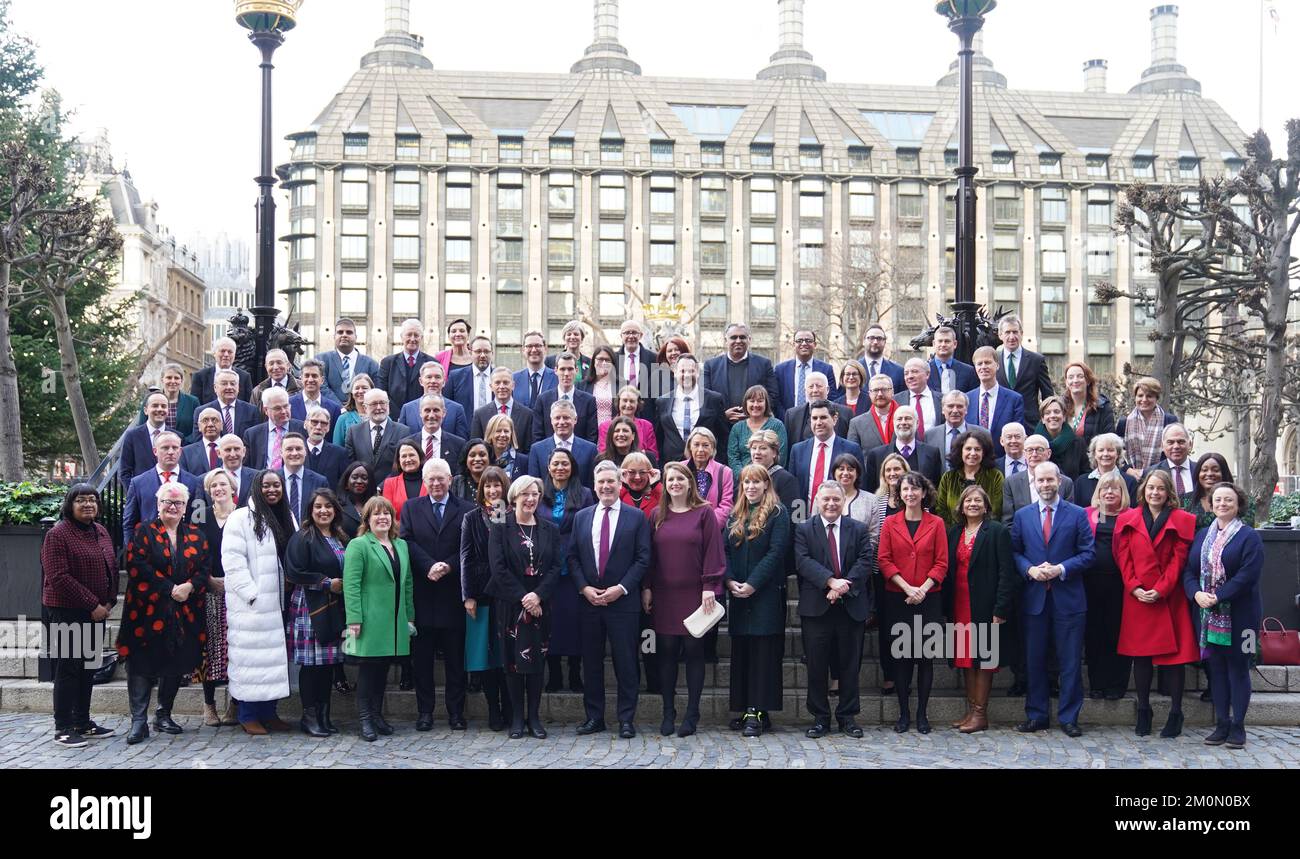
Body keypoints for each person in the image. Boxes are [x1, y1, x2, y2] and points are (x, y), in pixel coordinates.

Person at [116, 480, 209, 744]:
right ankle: (138, 721)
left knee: (175, 663)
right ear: (158, 505)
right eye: (167, 501)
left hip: (184, 613)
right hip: (146, 612)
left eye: (178, 502)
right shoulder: (143, 531)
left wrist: (189, 586)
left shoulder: (196, 535)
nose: (173, 506)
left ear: (185, 507)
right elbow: (137, 566)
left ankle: (163, 714)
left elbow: (204, 568)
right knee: (142, 665)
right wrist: (171, 589)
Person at [1011, 461, 1095, 737]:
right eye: (1040, 480)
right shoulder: (1022, 516)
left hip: (1068, 599)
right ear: (1033, 482)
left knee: (1069, 662)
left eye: (1050, 480)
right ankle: (1037, 715)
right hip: (1034, 599)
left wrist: (1061, 569)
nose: (1045, 485)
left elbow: (1088, 553)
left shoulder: (1077, 514)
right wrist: (1029, 569)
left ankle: (1069, 717)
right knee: (1034, 661)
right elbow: (1015, 551)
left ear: (1059, 481)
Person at [569, 460, 652, 738]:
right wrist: (584, 588)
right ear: (594, 485)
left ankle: (626, 719)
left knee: (626, 662)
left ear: (621, 484)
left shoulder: (636, 517)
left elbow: (643, 558)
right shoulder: (582, 517)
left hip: (623, 603)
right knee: (590, 663)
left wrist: (622, 588)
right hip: (589, 602)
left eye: (611, 482)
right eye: (601, 482)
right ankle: (595, 717)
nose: (606, 486)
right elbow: (572, 558)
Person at [643, 461, 726, 737]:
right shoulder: (656, 514)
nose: (675, 483)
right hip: (664, 594)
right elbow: (649, 557)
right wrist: (647, 587)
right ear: (664, 485)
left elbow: (714, 551)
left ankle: (692, 714)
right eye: (670, 479)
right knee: (665, 652)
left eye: (680, 478)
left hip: (695, 594)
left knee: (694, 653)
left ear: (690, 482)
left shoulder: (704, 513)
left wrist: (709, 586)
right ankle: (668, 712)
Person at [1114, 469, 1198, 738]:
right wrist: (1134, 587)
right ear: (1143, 490)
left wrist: (1160, 589)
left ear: (1169, 492)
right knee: (1141, 657)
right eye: (1151, 487)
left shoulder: (1182, 519)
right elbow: (1122, 557)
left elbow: (1179, 560)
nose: (1155, 493)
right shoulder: (1128, 518)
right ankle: (1144, 710)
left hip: (1168, 597)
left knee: (1174, 659)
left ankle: (1176, 712)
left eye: (1161, 488)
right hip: (1137, 596)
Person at [1184, 482, 1263, 751]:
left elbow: (1248, 576)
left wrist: (1218, 596)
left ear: (1238, 504)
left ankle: (1238, 726)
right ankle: (1222, 723)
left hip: (1243, 617)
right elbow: (1189, 571)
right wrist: (1196, 594)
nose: (1222, 504)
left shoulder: (1249, 536)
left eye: (1228, 500)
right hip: (1207, 616)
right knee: (1215, 670)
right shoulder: (1202, 535)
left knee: (1239, 668)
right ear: (1210, 504)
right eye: (1217, 500)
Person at [41, 485, 118, 747]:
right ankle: (63, 728)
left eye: (92, 500)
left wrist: (109, 601)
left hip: (97, 612)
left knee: (87, 669)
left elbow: (112, 566)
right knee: (68, 669)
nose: (88, 504)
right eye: (81, 500)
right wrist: (91, 605)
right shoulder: (58, 534)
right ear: (69, 504)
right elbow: (59, 577)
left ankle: (82, 722)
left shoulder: (101, 531)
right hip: (67, 612)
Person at [795, 481, 873, 738]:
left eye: (836, 500)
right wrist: (829, 581)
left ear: (844, 502)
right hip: (817, 608)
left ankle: (847, 716)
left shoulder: (859, 529)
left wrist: (842, 587)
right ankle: (820, 718)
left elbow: (865, 561)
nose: (831, 504)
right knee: (817, 666)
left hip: (851, 606)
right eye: (826, 499)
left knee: (850, 665)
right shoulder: (804, 529)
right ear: (817, 500)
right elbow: (803, 561)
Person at [401, 458, 474, 731]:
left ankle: (456, 713)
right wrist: (428, 565)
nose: (436, 483)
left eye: (440, 478)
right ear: (424, 481)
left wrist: (449, 565)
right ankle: (425, 712)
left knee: (455, 661)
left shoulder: (466, 509)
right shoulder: (411, 507)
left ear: (450, 479)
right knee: (422, 663)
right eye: (430, 479)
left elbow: (470, 545)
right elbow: (406, 540)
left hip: (453, 593)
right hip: (423, 592)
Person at [488, 476, 562, 739]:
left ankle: (534, 717)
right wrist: (525, 598)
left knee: (537, 661)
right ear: (514, 497)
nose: (531, 499)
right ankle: (517, 717)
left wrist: (538, 596)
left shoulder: (550, 528)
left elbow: (555, 567)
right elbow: (497, 567)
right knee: (513, 662)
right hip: (511, 604)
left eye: (536, 494)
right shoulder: (500, 525)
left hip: (541, 605)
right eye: (526, 494)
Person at [222, 470, 293, 735]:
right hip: (253, 604)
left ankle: (269, 712)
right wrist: (251, 594)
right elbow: (233, 561)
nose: (272, 490)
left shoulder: (286, 515)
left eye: (277, 485)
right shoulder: (240, 518)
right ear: (256, 487)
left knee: (273, 661)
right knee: (251, 661)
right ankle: (247, 713)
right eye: (266, 485)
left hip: (281, 601)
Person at [944, 485, 1018, 733]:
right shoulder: (954, 532)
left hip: (986, 606)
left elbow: (1008, 573)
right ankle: (971, 710)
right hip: (960, 604)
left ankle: (980, 714)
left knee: (984, 658)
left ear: (986, 506)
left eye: (978, 500)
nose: (973, 504)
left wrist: (1001, 608)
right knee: (966, 658)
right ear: (961, 506)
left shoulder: (996, 531)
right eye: (968, 500)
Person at [725, 464, 792, 737]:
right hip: (739, 595)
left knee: (764, 655)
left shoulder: (778, 513)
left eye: (756, 482)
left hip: (764, 595)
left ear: (766, 484)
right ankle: (745, 708)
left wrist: (753, 583)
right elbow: (725, 553)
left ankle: (759, 710)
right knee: (742, 653)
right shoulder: (734, 514)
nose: (751, 487)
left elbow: (776, 553)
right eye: (746, 482)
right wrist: (730, 581)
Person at [878, 472, 948, 733]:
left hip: (929, 598)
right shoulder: (890, 523)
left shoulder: (937, 523)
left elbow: (942, 562)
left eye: (915, 489)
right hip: (898, 597)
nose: (910, 494)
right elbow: (884, 560)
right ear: (900, 493)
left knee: (925, 659)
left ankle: (922, 714)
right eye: (906, 489)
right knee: (902, 658)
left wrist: (923, 588)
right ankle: (904, 713)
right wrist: (908, 587)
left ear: (924, 492)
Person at [343, 496, 415, 741]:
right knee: (368, 671)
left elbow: (407, 584)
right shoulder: (359, 545)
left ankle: (377, 715)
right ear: (367, 519)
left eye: (387, 513)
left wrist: (410, 616)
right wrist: (354, 618)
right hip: (369, 619)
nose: (382, 517)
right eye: (376, 514)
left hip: (394, 621)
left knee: (383, 669)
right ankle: (365, 719)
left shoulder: (401, 545)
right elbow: (351, 585)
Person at [284, 489, 348, 737]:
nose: (324, 511)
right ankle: (309, 717)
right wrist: (325, 582)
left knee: (328, 664)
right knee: (311, 665)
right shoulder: (303, 537)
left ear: (336, 510)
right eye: (318, 506)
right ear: (310, 511)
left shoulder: (340, 536)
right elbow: (294, 571)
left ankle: (324, 714)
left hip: (335, 607)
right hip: (310, 606)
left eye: (329, 506)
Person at [459, 466, 513, 731]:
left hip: (508, 594)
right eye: (488, 486)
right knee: (488, 655)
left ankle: (511, 708)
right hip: (480, 594)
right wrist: (467, 595)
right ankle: (494, 708)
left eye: (497, 486)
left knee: (507, 655)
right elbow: (466, 557)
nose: (493, 491)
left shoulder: (511, 516)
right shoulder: (471, 517)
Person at [539, 448, 594, 695]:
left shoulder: (584, 494)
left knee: (574, 621)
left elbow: (589, 528)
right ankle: (554, 673)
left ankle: (574, 671)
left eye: (565, 463)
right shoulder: (539, 494)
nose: (560, 468)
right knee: (550, 621)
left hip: (575, 565)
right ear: (548, 467)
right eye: (555, 463)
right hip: (545, 565)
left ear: (572, 467)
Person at [1082, 472, 1133, 702]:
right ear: (1098, 493)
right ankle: (1097, 683)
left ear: (1123, 493)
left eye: (1115, 488)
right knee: (1094, 634)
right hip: (1090, 583)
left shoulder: (1132, 516)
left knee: (1118, 634)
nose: (1110, 492)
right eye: (1105, 488)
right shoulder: (1087, 515)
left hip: (1121, 585)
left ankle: (1116, 683)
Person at [197, 470, 240, 727]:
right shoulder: (200, 517)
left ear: (232, 487)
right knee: (210, 649)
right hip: (209, 590)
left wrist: (235, 581)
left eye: (223, 484)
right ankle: (209, 705)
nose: (218, 488)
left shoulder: (243, 514)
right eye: (213, 485)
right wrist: (209, 580)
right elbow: (193, 553)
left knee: (236, 648)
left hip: (237, 591)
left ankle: (235, 704)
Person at [701, 322, 780, 455]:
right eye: (733, 337)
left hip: (756, 432)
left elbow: (773, 396)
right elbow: (705, 399)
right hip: (721, 431)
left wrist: (753, 413)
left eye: (742, 337)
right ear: (725, 340)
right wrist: (723, 415)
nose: (738, 341)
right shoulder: (711, 366)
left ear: (749, 340)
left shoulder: (764, 364)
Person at [121, 431, 204, 545]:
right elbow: (129, 523)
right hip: (148, 551)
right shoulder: (138, 483)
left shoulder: (195, 482)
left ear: (180, 451)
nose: (171, 452)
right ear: (155, 451)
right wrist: (131, 552)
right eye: (165, 448)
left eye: (175, 448)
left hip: (185, 550)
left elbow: (199, 519)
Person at [789, 401, 865, 508]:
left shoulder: (851, 449)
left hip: (841, 516)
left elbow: (860, 485)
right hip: (805, 517)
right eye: (814, 418)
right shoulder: (798, 450)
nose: (818, 422)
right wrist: (798, 520)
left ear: (834, 419)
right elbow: (794, 489)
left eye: (823, 417)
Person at [655, 353, 725, 465]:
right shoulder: (662, 402)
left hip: (704, 465)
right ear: (675, 372)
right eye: (682, 371)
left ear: (698, 373)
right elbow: (659, 437)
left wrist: (718, 463)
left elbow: (723, 436)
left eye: (691, 371)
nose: (687, 375)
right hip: (672, 467)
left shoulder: (713, 399)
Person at [863, 406, 943, 492]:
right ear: (893, 423)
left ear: (917, 423)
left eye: (908, 418)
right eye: (899, 419)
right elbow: (871, 491)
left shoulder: (932, 453)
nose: (903, 422)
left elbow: (935, 488)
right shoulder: (876, 455)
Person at [345, 388, 413, 490]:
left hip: (392, 490)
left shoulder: (403, 432)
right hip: (362, 491)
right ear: (365, 407)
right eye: (374, 404)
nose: (379, 407)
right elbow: (350, 465)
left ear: (388, 405)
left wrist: (382, 486)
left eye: (382, 403)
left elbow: (402, 466)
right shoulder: (354, 432)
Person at [994, 315, 1055, 428]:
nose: (1012, 337)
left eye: (1015, 332)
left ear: (1021, 333)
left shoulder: (1036, 360)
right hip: (1000, 423)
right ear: (1000, 335)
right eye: (1007, 332)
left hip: (1030, 424)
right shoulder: (993, 360)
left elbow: (1048, 395)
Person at [1003, 434, 1077, 525]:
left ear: (1049, 453)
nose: (1034, 454)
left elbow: (1069, 519)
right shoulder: (1011, 483)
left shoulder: (1066, 483)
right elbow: (1008, 522)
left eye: (1039, 449)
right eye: (1030, 450)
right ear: (1024, 454)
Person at [935, 430, 1005, 526]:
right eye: (968, 449)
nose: (972, 453)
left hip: (986, 534)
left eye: (977, 449)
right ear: (961, 451)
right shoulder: (948, 478)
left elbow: (996, 510)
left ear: (984, 452)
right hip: (953, 535)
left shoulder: (995, 477)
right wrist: (957, 531)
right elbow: (940, 509)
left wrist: (977, 531)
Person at [966, 346, 1025, 456]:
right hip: (973, 460)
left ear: (997, 365)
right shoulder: (966, 399)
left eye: (988, 362)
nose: (983, 367)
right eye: (979, 364)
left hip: (1001, 462)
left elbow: (1016, 435)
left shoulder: (1014, 399)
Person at [1118, 376, 1179, 479]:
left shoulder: (1169, 421)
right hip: (1131, 479)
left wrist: (1148, 472)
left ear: (1156, 398)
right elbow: (1117, 452)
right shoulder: (1124, 423)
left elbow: (1173, 453)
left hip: (1161, 477)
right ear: (1135, 398)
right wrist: (1129, 470)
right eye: (1140, 396)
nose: (1144, 400)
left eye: (1149, 396)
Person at [470, 367, 539, 454]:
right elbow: (475, 446)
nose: (501, 386)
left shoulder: (527, 414)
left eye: (506, 382)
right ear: (491, 386)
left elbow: (529, 448)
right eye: (497, 383)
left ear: (513, 385)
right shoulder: (480, 414)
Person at [530, 398, 599, 484]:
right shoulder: (537, 450)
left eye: (566, 418)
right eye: (557, 418)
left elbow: (592, 484)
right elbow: (535, 485)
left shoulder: (590, 450)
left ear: (575, 419)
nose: (561, 422)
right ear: (551, 420)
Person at [533, 351, 598, 442]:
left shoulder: (588, 401)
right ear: (556, 371)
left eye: (570, 369)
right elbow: (537, 435)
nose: (566, 373)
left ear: (576, 370)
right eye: (562, 369)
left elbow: (592, 436)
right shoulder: (543, 400)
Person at [727, 384, 788, 477]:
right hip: (743, 481)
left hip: (771, 480)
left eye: (760, 401)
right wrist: (745, 477)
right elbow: (733, 458)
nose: (756, 405)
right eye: (752, 401)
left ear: (766, 403)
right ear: (745, 403)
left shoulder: (777, 425)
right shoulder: (737, 428)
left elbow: (781, 455)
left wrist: (764, 478)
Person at [318, 317, 381, 405]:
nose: (344, 335)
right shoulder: (321, 360)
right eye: (340, 332)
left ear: (356, 337)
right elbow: (322, 387)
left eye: (349, 332)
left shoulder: (371, 364)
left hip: (361, 414)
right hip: (330, 413)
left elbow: (375, 391)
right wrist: (340, 408)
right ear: (334, 336)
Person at [775, 328, 839, 414]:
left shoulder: (826, 369)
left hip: (818, 422)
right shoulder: (780, 370)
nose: (804, 343)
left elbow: (832, 398)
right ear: (794, 344)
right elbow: (777, 400)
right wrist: (787, 419)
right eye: (799, 340)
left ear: (815, 344)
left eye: (808, 340)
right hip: (788, 422)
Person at [242, 386, 306, 472]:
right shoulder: (252, 435)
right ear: (265, 410)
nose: (283, 411)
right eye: (278, 408)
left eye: (286, 406)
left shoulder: (303, 429)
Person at [376, 318, 435, 411]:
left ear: (421, 338)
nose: (412, 339)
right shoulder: (387, 363)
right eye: (409, 335)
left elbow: (434, 393)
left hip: (422, 415)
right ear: (402, 337)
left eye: (416, 335)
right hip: (393, 417)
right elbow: (381, 392)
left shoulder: (431, 363)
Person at [399, 362, 469, 439]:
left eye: (437, 377)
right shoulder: (407, 409)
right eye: (429, 377)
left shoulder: (457, 409)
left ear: (444, 381)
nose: (433, 381)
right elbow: (402, 441)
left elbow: (462, 443)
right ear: (421, 381)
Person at [683, 426, 734, 528]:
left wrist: (707, 526)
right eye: (696, 445)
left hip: (711, 528)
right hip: (683, 527)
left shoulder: (725, 472)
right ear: (689, 447)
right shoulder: (679, 469)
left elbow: (726, 505)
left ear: (712, 449)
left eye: (706, 445)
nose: (700, 449)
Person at [406, 393, 468, 475]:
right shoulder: (407, 444)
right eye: (427, 410)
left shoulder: (458, 444)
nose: (431, 415)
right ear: (420, 413)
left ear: (444, 413)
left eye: (436, 410)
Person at [784, 371, 852, 445]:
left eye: (819, 386)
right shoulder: (792, 415)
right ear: (805, 391)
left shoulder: (845, 413)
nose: (815, 390)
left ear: (828, 390)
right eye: (811, 387)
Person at [1073, 432, 1138, 509]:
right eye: (1101, 450)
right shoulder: (1081, 482)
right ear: (1094, 454)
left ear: (1118, 454)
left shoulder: (1130, 482)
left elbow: (1133, 513)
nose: (1105, 454)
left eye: (1110, 450)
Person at [926, 390, 991, 465]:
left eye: (960, 406)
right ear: (943, 410)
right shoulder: (929, 435)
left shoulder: (983, 434)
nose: (955, 410)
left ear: (966, 409)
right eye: (950, 406)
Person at [279, 433, 329, 530]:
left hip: (310, 538)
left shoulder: (320, 481)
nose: (294, 453)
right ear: (281, 453)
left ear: (305, 451)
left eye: (298, 449)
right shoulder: (273, 481)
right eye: (289, 449)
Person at [194, 368, 260, 442]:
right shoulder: (202, 411)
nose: (229, 387)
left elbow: (255, 440)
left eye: (232, 384)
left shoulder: (251, 411)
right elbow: (199, 442)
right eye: (224, 383)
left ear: (238, 387)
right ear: (215, 387)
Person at [137, 364, 200, 441]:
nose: (173, 381)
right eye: (169, 377)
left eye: (176, 378)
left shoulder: (192, 402)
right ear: (162, 379)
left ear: (181, 380)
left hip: (184, 448)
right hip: (154, 448)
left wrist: (182, 443)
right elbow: (142, 427)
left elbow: (197, 429)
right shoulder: (150, 399)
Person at [596, 385, 659, 461]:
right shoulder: (605, 426)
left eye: (632, 401)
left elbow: (653, 456)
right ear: (618, 402)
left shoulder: (647, 426)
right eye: (625, 400)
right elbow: (604, 453)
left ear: (638, 403)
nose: (628, 405)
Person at [119, 392, 169, 487]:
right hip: (142, 497)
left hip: (171, 498)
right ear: (146, 410)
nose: (159, 409)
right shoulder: (132, 436)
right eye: (155, 405)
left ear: (168, 410)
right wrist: (135, 495)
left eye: (163, 406)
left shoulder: (177, 436)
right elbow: (124, 472)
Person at [1062, 361, 1114, 449]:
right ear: (1067, 382)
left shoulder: (1102, 407)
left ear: (1088, 380)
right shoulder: (1059, 406)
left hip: (1092, 460)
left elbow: (1110, 440)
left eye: (1080, 376)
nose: (1075, 380)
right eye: (1071, 377)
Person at [1034, 395, 1084, 480]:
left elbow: (1084, 474)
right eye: (1047, 413)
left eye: (1056, 412)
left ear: (1064, 416)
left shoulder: (1078, 443)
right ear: (1042, 419)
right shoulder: (1034, 445)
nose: (1052, 415)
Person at [445, 335, 497, 417]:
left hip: (494, 428)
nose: (482, 355)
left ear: (492, 353)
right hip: (465, 429)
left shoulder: (500, 377)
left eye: (486, 351)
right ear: (470, 353)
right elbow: (447, 406)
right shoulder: (456, 377)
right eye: (478, 351)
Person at [192, 337, 254, 404]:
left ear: (234, 355)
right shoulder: (200, 376)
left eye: (230, 352)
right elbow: (195, 405)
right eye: (222, 351)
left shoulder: (244, 377)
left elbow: (248, 405)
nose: (226, 355)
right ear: (214, 353)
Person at [847, 374, 899, 453]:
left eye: (884, 389)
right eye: (875, 390)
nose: (880, 394)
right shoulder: (856, 424)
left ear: (892, 391)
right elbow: (852, 457)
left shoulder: (906, 418)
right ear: (869, 394)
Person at [748, 430, 798, 510]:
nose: (757, 452)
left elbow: (797, 516)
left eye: (763, 448)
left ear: (774, 453)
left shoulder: (787, 479)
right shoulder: (745, 477)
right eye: (754, 448)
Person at [380, 439, 427, 523]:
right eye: (404, 456)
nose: (408, 459)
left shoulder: (431, 481)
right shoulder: (389, 483)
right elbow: (388, 515)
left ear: (420, 457)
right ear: (399, 460)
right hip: (399, 534)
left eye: (412, 455)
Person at [895, 357, 943, 438]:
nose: (910, 376)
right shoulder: (896, 401)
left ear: (927, 374)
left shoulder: (942, 400)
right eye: (906, 373)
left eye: (914, 371)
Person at [1143, 423, 1195, 497]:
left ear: (1190, 445)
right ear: (1162, 446)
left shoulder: (1200, 471)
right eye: (1170, 442)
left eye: (1181, 442)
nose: (1176, 446)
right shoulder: (1150, 472)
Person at [1184, 453, 1235, 529]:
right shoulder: (1184, 500)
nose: (1209, 474)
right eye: (1204, 470)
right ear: (1198, 473)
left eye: (1215, 470)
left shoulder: (1240, 501)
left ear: (1224, 473)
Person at [288, 359, 342, 431]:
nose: (310, 380)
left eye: (314, 376)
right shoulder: (289, 404)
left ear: (322, 380)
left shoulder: (334, 408)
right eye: (307, 376)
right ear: (301, 379)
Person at [304, 407, 350, 490]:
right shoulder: (296, 452)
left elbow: (344, 486)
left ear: (328, 427)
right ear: (305, 424)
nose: (318, 427)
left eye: (323, 423)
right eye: (314, 422)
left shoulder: (339, 453)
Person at [512, 330, 559, 410]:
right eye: (529, 346)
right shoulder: (513, 379)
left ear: (545, 348)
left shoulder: (557, 377)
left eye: (537, 345)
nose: (534, 350)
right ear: (523, 350)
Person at [926, 326, 978, 394]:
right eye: (940, 341)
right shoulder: (924, 371)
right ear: (934, 344)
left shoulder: (968, 372)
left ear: (955, 344)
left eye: (947, 341)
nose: (943, 344)